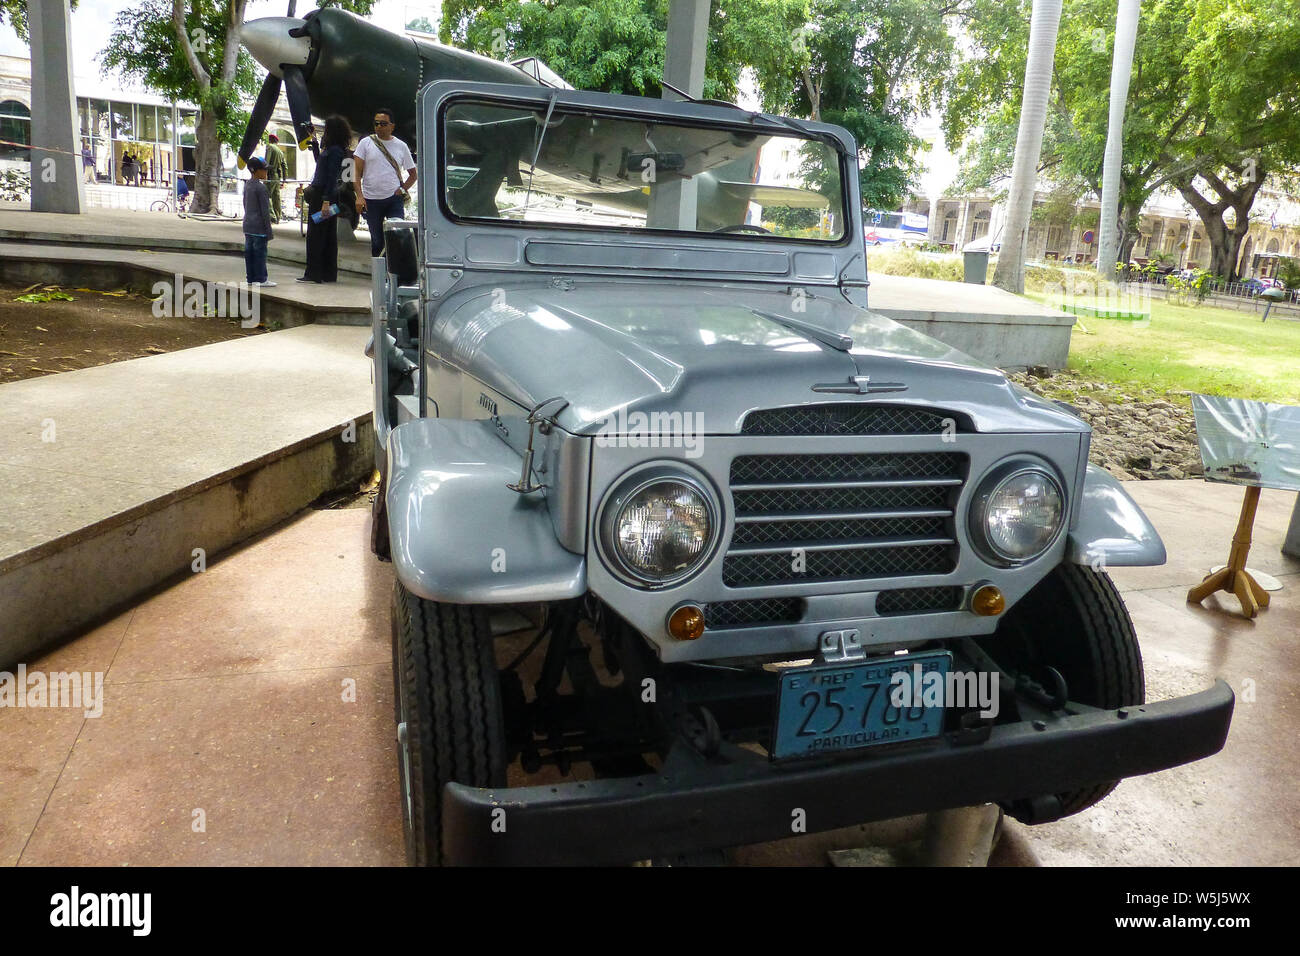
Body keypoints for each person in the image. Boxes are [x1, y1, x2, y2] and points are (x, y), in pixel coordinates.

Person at [352, 107, 416, 257]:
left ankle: (395, 276)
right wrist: (359, 196)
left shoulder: (401, 146)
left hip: (393, 199)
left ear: (392, 126)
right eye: (376, 123)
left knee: (397, 236)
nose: (379, 127)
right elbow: (356, 173)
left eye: (383, 123)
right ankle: (380, 276)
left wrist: (402, 190)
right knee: (377, 240)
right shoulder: (365, 144)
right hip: (371, 200)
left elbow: (413, 175)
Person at [300, 115, 353, 284]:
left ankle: (313, 273)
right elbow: (320, 163)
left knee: (316, 235)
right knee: (328, 234)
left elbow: (330, 177)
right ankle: (328, 273)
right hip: (329, 197)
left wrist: (325, 201)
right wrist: (315, 142)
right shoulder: (334, 150)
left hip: (323, 197)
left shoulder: (335, 151)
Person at [242, 157, 276, 288]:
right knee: (260, 254)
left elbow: (245, 204)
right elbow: (265, 212)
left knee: (249, 253)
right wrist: (269, 231)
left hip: (248, 225)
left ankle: (250, 278)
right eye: (264, 169)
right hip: (259, 228)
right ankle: (261, 279)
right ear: (255, 171)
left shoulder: (247, 185)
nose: (266, 172)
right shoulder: (261, 188)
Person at [265, 132, 288, 224]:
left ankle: (272, 216)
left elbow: (266, 162)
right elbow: (284, 166)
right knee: (276, 197)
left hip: (270, 175)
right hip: (277, 177)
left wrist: (264, 174)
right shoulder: (280, 151)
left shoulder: (270, 147)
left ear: (270, 140)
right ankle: (278, 217)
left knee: (266, 195)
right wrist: (284, 180)